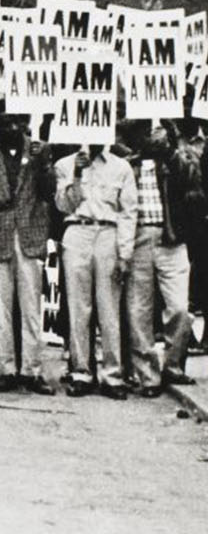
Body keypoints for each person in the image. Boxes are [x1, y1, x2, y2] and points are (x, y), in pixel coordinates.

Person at [0, 100, 57, 395]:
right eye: (5, 123)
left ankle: (32, 371)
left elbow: (49, 193)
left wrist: (45, 164)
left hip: (30, 237)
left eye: (17, 121)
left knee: (32, 310)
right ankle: (4, 370)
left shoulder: (39, 150)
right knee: (1, 311)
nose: (12, 128)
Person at [117, 119, 199, 397]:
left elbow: (192, 176)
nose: (152, 136)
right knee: (138, 310)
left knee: (179, 307)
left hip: (171, 238)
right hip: (138, 237)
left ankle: (173, 365)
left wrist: (169, 151)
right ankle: (148, 375)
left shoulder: (176, 161)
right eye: (146, 132)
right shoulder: (128, 164)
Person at [54, 139, 136, 399]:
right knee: (79, 307)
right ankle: (81, 372)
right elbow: (63, 205)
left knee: (109, 307)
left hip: (108, 233)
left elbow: (128, 212)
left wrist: (125, 253)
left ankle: (112, 375)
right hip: (77, 230)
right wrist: (77, 174)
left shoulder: (121, 167)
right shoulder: (65, 165)